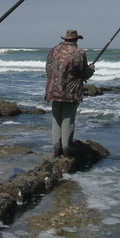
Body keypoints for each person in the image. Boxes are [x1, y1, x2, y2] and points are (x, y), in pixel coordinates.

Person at [44, 29, 95, 157]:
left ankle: (56, 148)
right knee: (68, 120)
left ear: (65, 39)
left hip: (52, 90)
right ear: (76, 39)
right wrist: (91, 69)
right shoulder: (79, 52)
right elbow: (84, 74)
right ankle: (67, 149)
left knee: (56, 119)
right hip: (70, 92)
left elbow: (47, 70)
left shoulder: (53, 50)